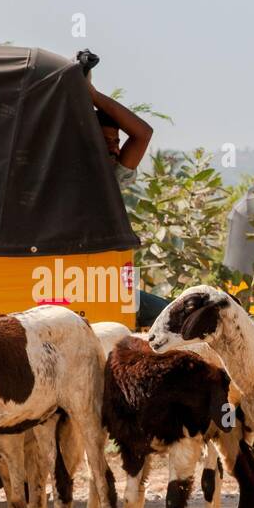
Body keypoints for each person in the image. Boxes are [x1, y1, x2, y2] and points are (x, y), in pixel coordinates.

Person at [86, 72, 168, 326]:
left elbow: (143, 134)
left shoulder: (113, 177)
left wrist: (93, 95)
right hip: (73, 279)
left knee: (170, 316)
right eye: (107, 140)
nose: (115, 148)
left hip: (108, 282)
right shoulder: (68, 173)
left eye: (117, 141)